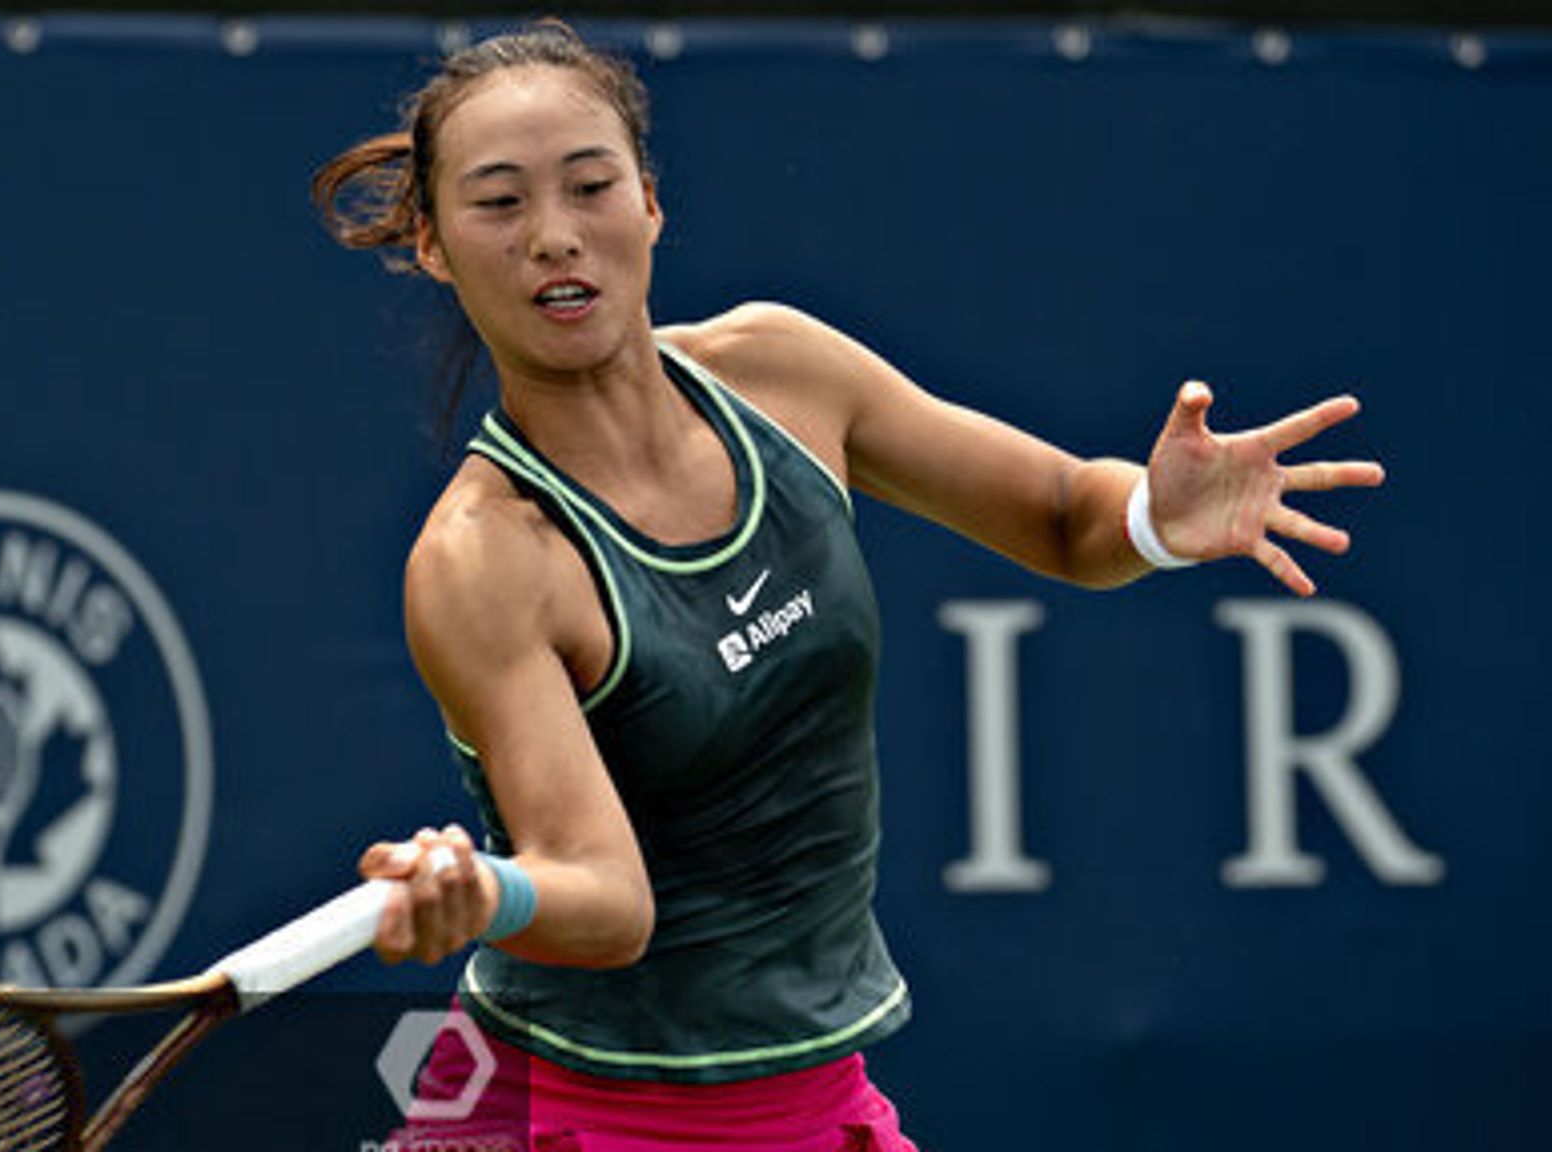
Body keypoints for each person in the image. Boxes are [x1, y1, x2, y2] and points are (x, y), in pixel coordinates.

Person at [312, 20, 1382, 1152]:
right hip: (563, 1111)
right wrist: (490, 893)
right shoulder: (484, 559)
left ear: (650, 204)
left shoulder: (781, 373)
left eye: (591, 186)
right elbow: (607, 900)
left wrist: (1151, 518)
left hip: (813, 1100)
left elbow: (1064, 517)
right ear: (433, 244)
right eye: (498, 203)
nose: (554, 236)